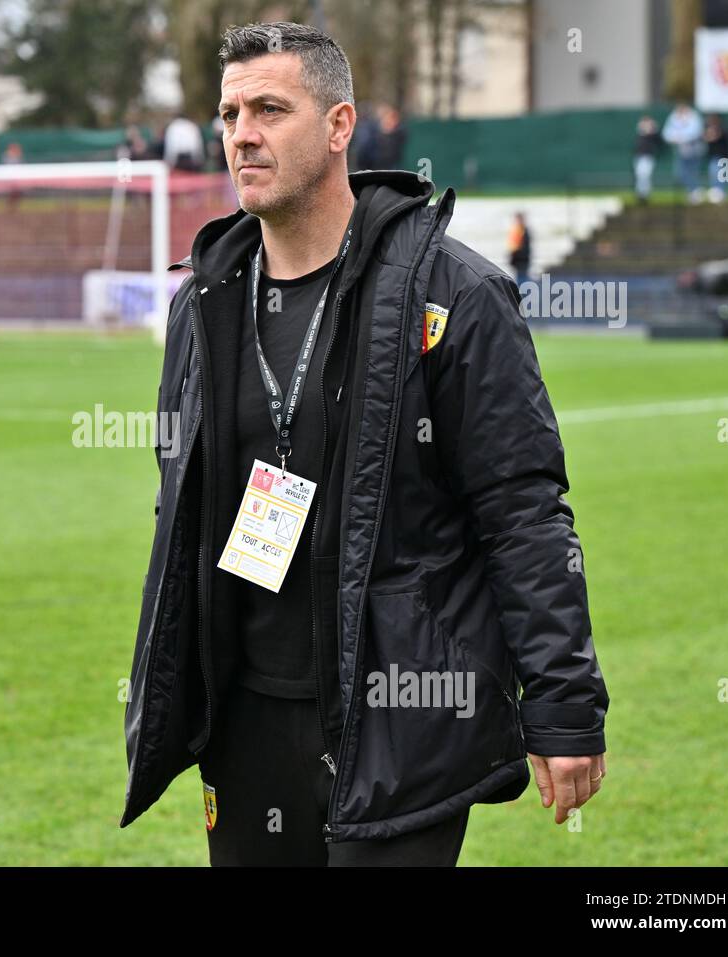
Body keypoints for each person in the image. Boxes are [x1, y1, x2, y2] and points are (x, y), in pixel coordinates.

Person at [120, 21, 609, 867]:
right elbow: (181, 504)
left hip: (396, 713)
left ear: (340, 125)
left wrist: (564, 703)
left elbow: (522, 510)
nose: (242, 133)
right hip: (242, 723)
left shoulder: (454, 294)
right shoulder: (204, 302)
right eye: (230, 112)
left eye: (271, 108)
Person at [661, 102, 705, 204]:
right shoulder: (674, 117)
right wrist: (675, 137)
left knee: (692, 172)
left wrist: (681, 137)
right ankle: (694, 191)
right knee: (681, 173)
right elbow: (666, 133)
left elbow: (696, 132)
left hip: (694, 150)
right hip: (681, 151)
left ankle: (695, 192)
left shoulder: (693, 116)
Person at [632, 114, 662, 204]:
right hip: (639, 156)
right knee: (639, 175)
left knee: (645, 175)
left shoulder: (653, 134)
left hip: (648, 157)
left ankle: (645, 194)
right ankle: (640, 194)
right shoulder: (640, 133)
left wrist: (652, 129)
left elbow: (658, 140)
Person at [704, 113, 728, 204]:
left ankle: (721, 194)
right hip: (714, 157)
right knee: (714, 175)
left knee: (721, 177)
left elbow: (714, 136)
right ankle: (717, 194)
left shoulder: (723, 129)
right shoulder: (708, 128)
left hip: (723, 158)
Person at [506, 211, 531, 284]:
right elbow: (513, 246)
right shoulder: (519, 230)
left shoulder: (522, 230)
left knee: (522, 280)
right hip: (519, 261)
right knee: (521, 279)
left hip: (522, 260)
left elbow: (519, 247)